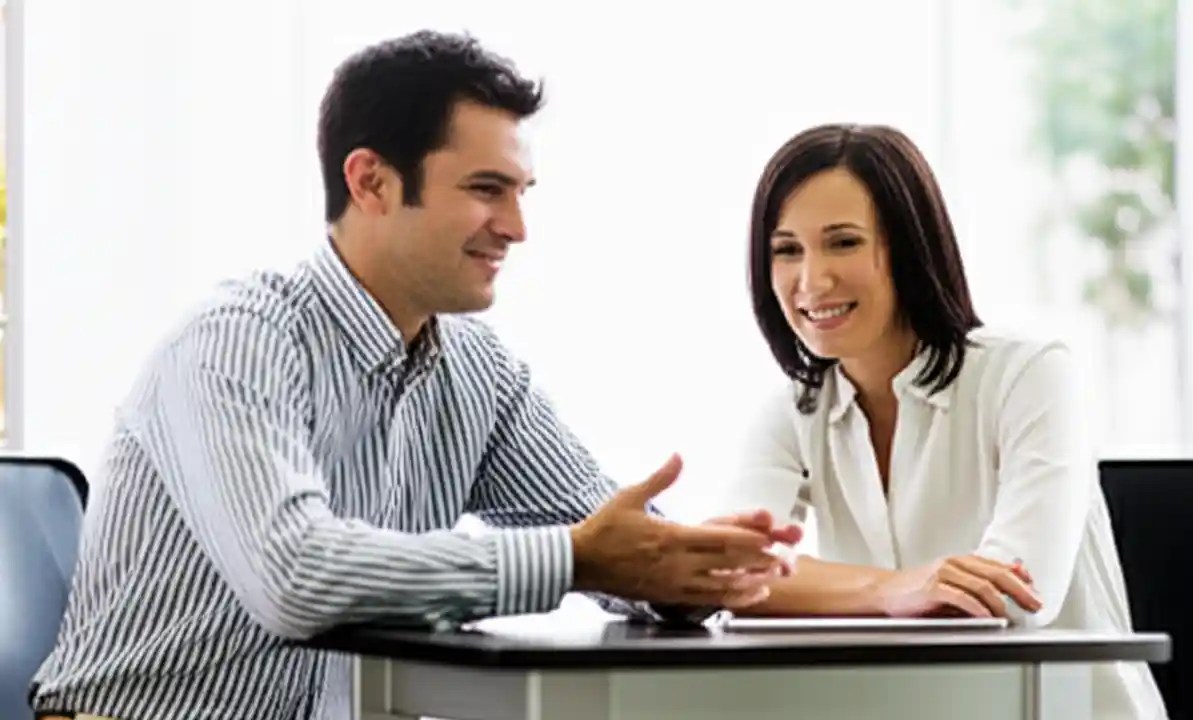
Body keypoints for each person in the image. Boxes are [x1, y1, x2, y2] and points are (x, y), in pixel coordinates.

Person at [29, 30, 800, 720]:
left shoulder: (479, 371)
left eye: (520, 194)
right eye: (485, 190)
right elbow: (297, 575)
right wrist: (575, 557)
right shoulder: (235, 341)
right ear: (370, 182)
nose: (518, 229)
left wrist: (690, 569)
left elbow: (610, 544)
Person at [726, 123, 1167, 719]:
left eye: (844, 242)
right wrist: (890, 591)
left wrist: (808, 588)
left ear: (908, 247)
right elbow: (724, 573)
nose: (812, 280)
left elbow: (1015, 595)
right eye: (787, 250)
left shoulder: (1029, 373)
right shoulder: (795, 410)